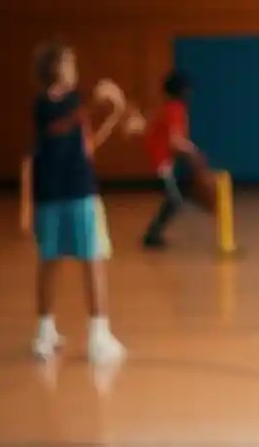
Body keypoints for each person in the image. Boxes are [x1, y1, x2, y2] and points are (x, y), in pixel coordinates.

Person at [19, 43, 128, 363]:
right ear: (57, 68)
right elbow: (64, 122)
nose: (74, 67)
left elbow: (86, 145)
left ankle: (97, 333)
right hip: (57, 196)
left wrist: (115, 113)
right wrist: (97, 100)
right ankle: (49, 332)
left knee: (91, 259)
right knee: (58, 261)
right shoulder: (46, 105)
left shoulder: (74, 106)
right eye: (70, 62)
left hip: (77, 190)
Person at [141, 71, 208, 250]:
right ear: (183, 91)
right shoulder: (175, 109)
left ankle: (153, 234)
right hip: (160, 161)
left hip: (161, 160)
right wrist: (193, 151)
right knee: (174, 200)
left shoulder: (168, 108)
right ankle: (152, 235)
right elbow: (175, 141)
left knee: (174, 199)